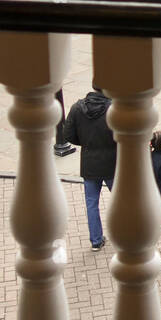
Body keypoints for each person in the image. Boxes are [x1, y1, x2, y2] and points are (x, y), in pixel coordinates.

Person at [61, 84, 116, 251]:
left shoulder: (77, 108)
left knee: (91, 203)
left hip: (89, 163)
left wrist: (86, 142)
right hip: (112, 163)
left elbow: (68, 134)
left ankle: (96, 240)